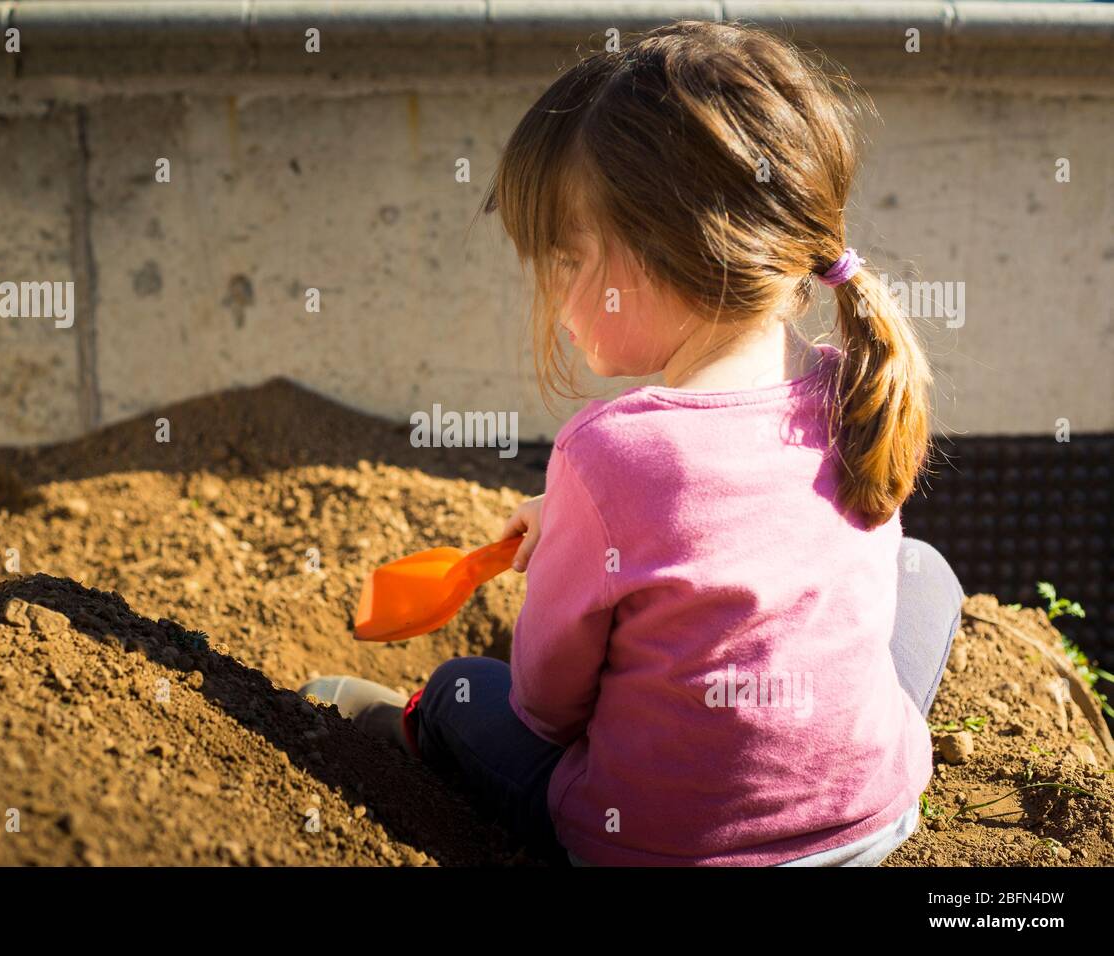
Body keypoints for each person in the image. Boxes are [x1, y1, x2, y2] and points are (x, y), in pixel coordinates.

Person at [301, 19, 964, 866]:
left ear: (658, 252)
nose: (551, 293)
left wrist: (567, 556)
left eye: (563, 259)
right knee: (926, 575)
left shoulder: (606, 453)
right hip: (869, 822)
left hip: (655, 847)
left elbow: (546, 707)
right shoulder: (854, 384)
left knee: (465, 688)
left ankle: (408, 721)